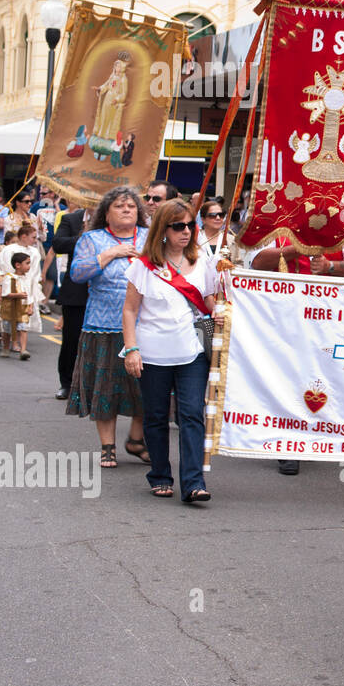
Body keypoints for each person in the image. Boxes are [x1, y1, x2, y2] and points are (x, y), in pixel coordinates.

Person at [121, 199, 217, 502]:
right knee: (156, 416)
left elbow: (211, 301)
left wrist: (222, 312)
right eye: (178, 226)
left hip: (191, 352)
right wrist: (131, 349)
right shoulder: (143, 266)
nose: (186, 232)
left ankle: (193, 482)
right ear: (163, 229)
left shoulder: (203, 260)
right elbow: (129, 310)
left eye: (190, 225)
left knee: (191, 414)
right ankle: (160, 475)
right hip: (152, 353)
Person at [66, 186, 149, 470]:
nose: (127, 210)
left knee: (146, 388)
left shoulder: (150, 237)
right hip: (103, 325)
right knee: (106, 389)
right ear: (107, 212)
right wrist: (111, 253)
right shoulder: (93, 239)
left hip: (145, 324)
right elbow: (77, 274)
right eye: (120, 206)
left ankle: (136, 440)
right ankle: (107, 447)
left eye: (131, 206)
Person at [51, 206, 89, 399]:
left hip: (105, 292)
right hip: (76, 291)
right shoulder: (72, 219)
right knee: (71, 339)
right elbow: (58, 244)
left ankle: (91, 383)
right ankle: (66, 382)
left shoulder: (113, 219)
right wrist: (86, 237)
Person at [1, 251, 34, 359]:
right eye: (27, 263)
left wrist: (30, 307)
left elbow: (30, 294)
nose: (29, 266)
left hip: (22, 307)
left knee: (23, 328)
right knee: (7, 329)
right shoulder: (9, 278)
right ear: (18, 265)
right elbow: (5, 293)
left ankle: (23, 350)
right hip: (10, 308)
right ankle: (6, 348)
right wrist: (17, 295)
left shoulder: (28, 279)